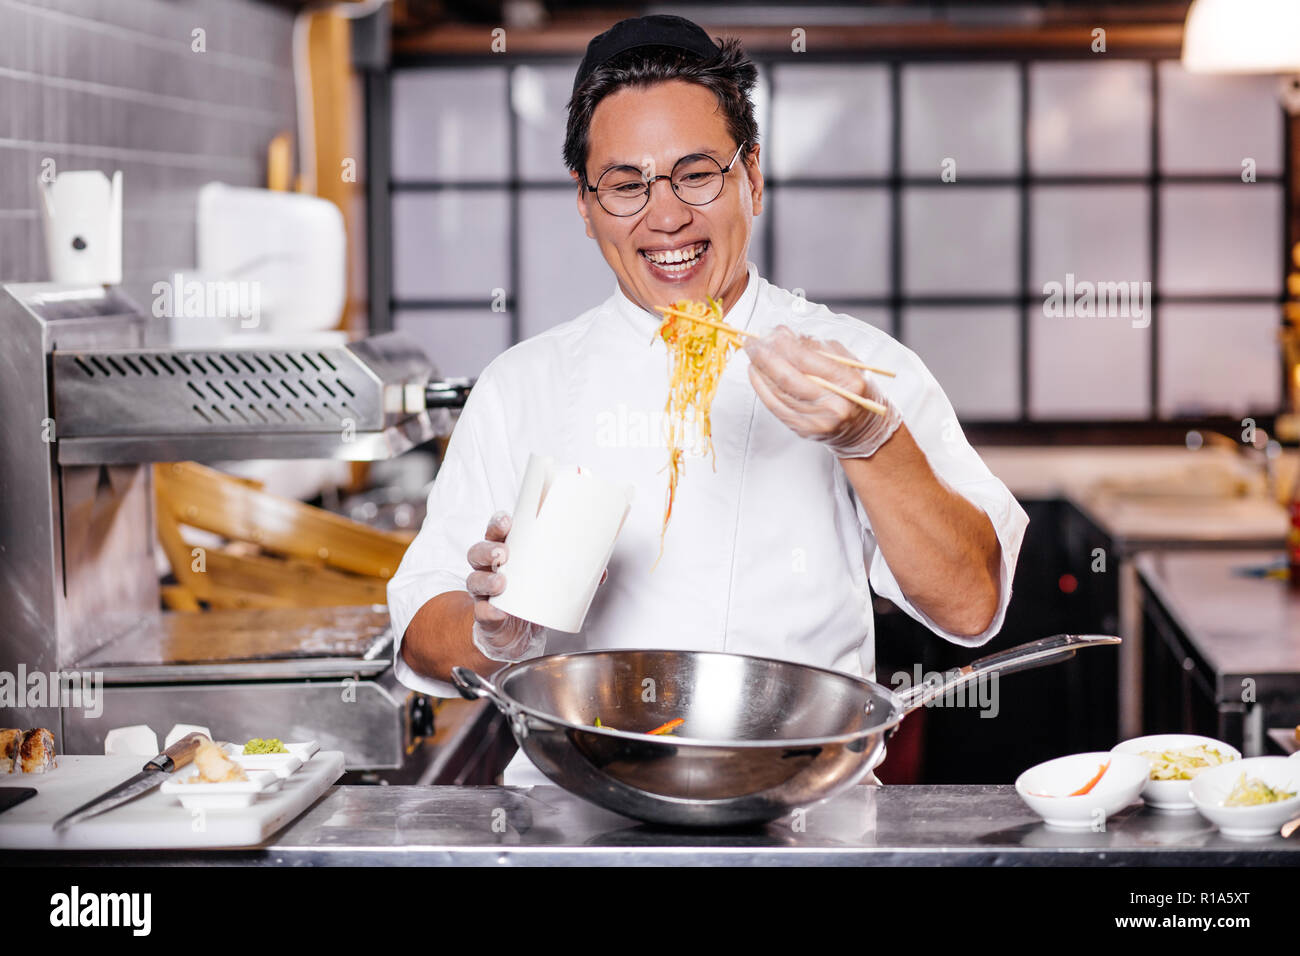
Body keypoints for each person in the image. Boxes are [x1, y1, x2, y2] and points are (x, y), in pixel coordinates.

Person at [388, 14, 1029, 785]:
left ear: (751, 176)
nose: (666, 218)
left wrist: (871, 440)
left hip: (809, 811)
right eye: (627, 186)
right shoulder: (524, 385)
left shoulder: (856, 368)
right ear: (586, 205)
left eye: (697, 174)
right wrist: (497, 632)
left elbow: (970, 605)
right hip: (574, 815)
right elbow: (422, 632)